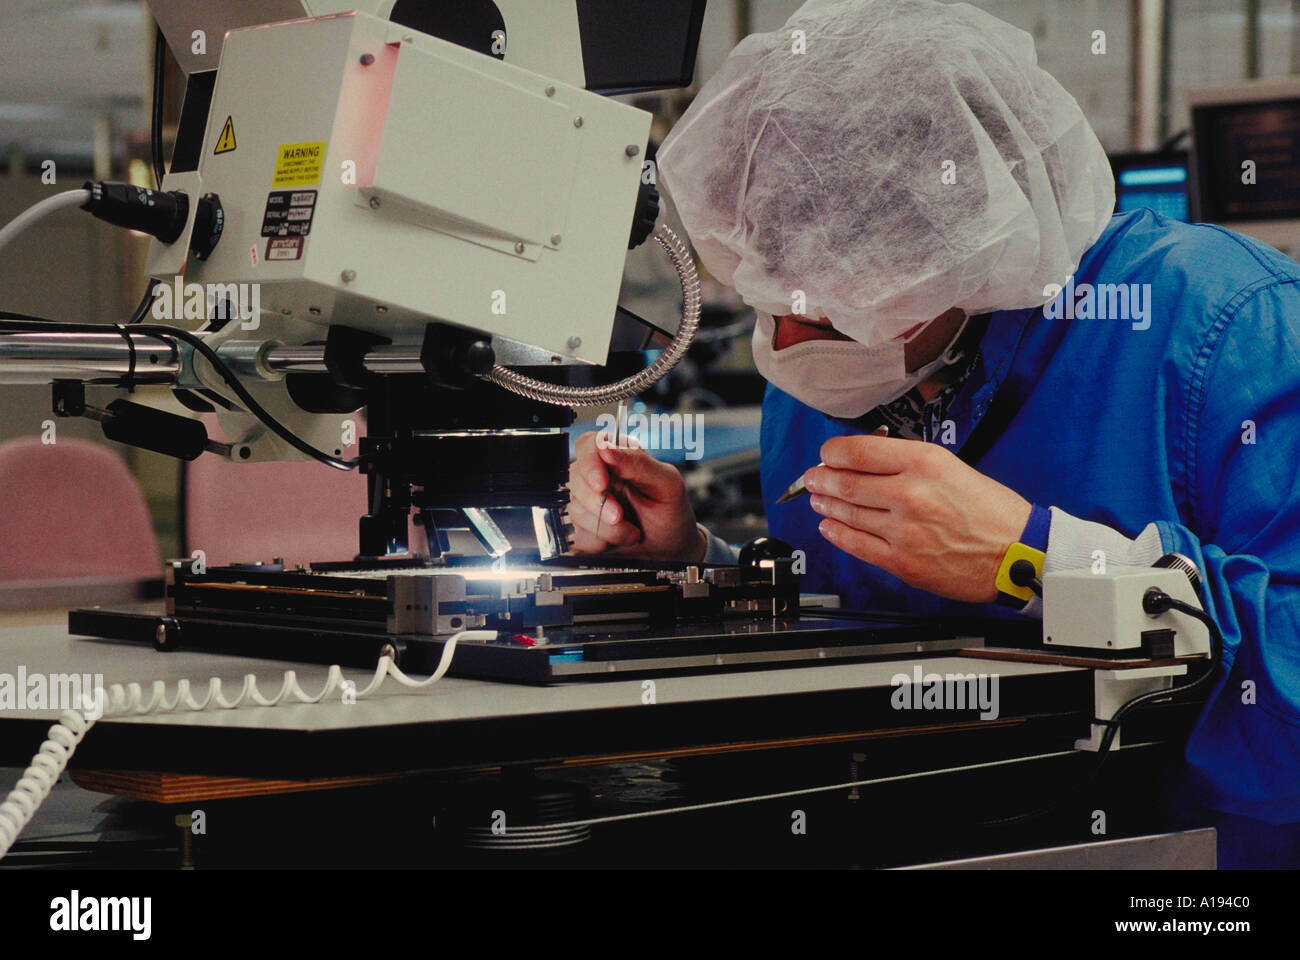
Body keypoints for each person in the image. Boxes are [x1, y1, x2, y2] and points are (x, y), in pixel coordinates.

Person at [565, 0, 1300, 867]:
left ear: (970, 246)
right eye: (765, 300)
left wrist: (1031, 558)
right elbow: (854, 620)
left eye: (833, 308)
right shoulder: (822, 381)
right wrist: (696, 560)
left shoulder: (1229, 327)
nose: (788, 348)